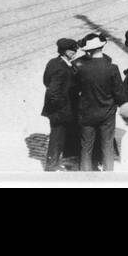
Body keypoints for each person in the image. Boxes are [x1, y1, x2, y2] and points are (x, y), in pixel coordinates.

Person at [74, 35, 126, 171]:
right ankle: (108, 176)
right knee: (107, 145)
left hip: (86, 113)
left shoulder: (82, 68)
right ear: (101, 48)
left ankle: (86, 178)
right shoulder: (112, 68)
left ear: (89, 51)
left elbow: (74, 89)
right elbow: (119, 93)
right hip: (107, 114)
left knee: (86, 147)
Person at [42, 38, 80, 171]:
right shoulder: (61, 68)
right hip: (60, 110)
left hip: (59, 108)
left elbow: (46, 80)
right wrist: (62, 107)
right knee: (57, 137)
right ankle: (51, 166)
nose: (75, 52)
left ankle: (61, 161)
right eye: (73, 50)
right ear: (65, 51)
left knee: (61, 135)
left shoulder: (54, 62)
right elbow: (53, 91)